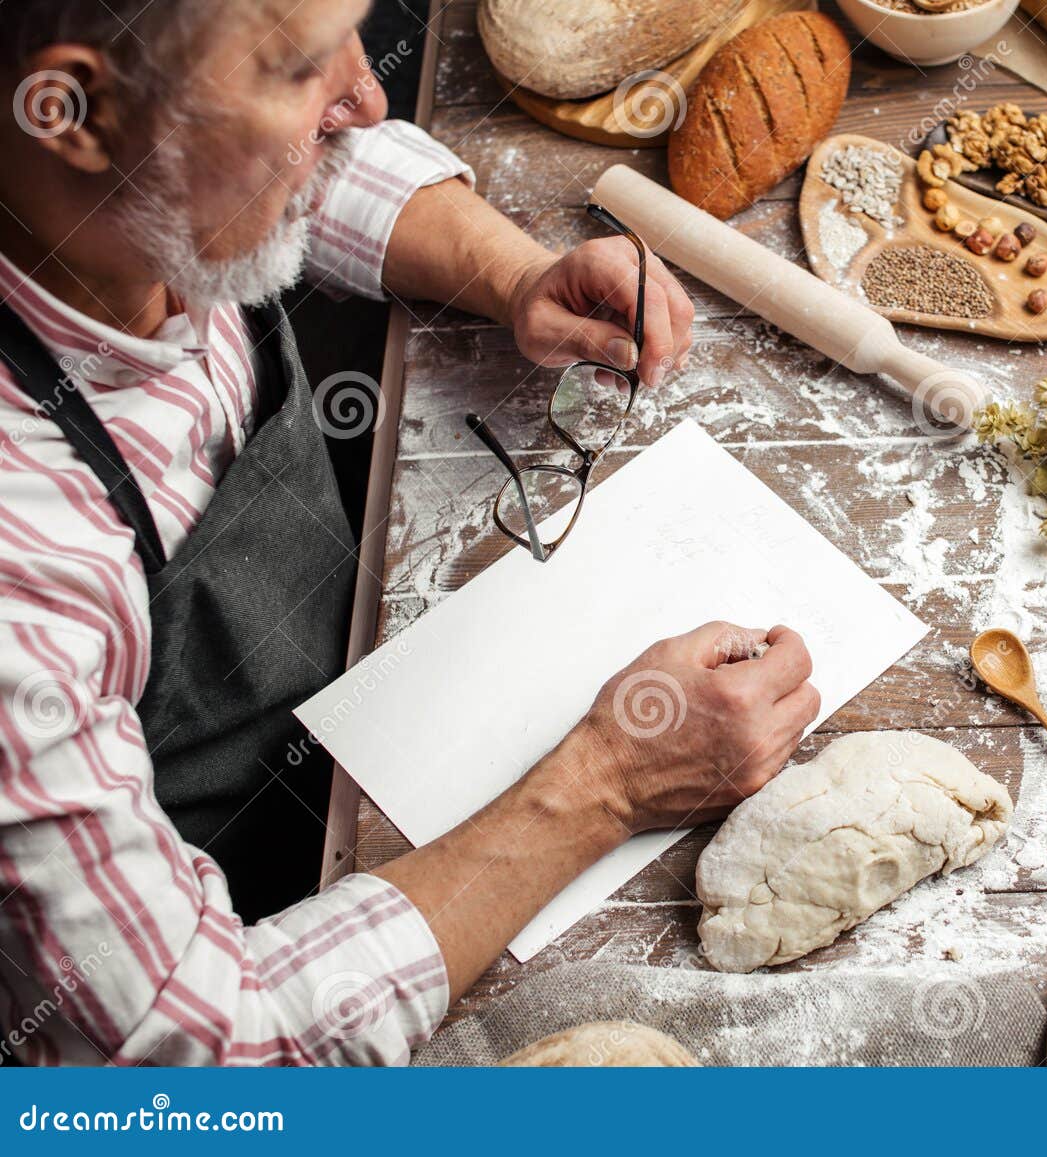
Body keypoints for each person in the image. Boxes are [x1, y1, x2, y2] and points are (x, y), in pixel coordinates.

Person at [0, 0, 819, 1065]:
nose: (367, 92)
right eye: (301, 68)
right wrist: (605, 784)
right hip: (239, 901)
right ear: (80, 113)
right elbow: (196, 1050)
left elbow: (291, 163)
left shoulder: (127, 189)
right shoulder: (24, 568)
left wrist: (507, 269)